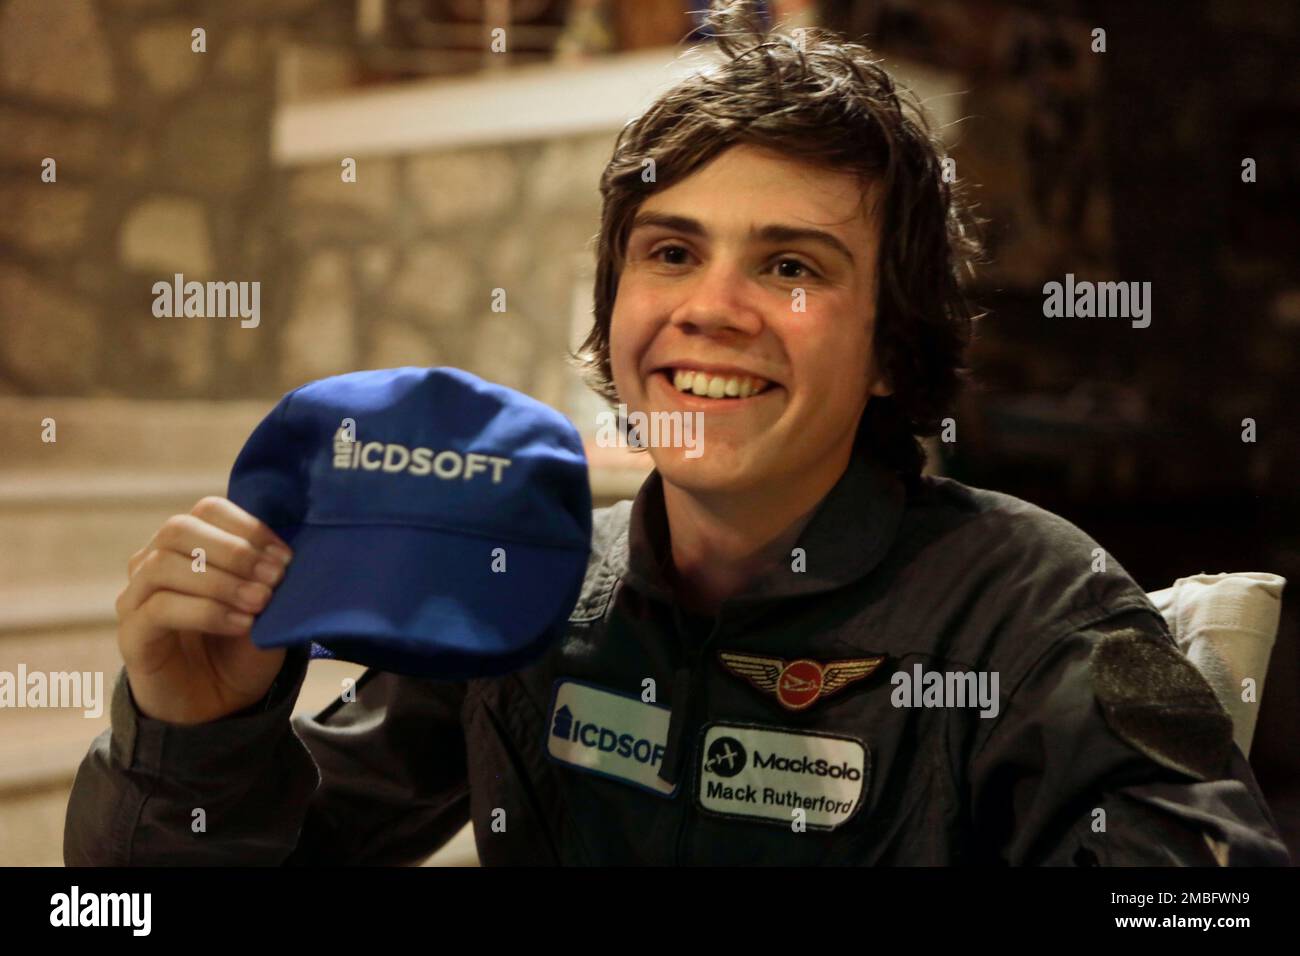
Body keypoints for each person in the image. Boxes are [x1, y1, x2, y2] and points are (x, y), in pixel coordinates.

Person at [64, 0, 1289, 866]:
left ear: (891, 348)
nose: (710, 306)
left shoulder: (1032, 613)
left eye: (792, 263)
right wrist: (193, 735)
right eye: (670, 251)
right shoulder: (526, 580)